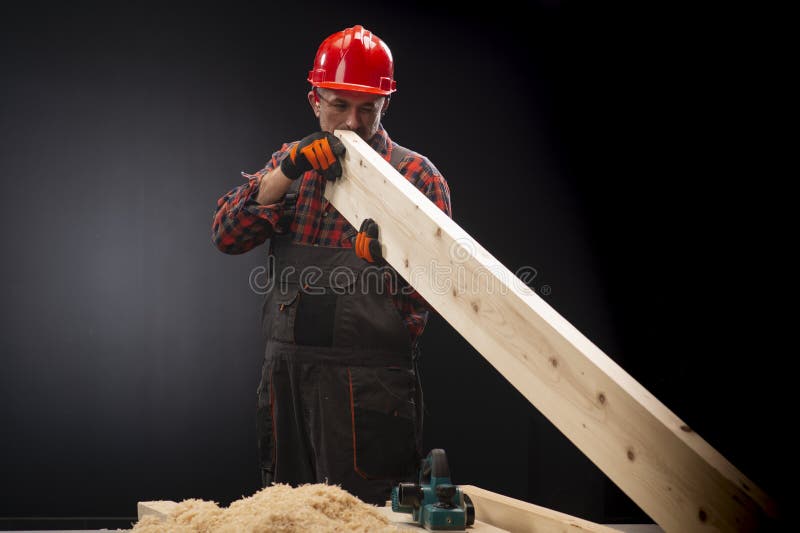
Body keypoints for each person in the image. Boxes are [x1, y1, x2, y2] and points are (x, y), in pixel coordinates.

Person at [211, 25, 452, 505]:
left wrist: (390, 263)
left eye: (368, 108)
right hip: (288, 383)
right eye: (338, 104)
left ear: (386, 106)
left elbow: (445, 293)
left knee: (367, 517)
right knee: (286, 514)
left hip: (370, 390)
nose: (352, 122)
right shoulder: (292, 166)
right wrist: (286, 171)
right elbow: (227, 236)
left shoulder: (416, 176)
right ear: (314, 100)